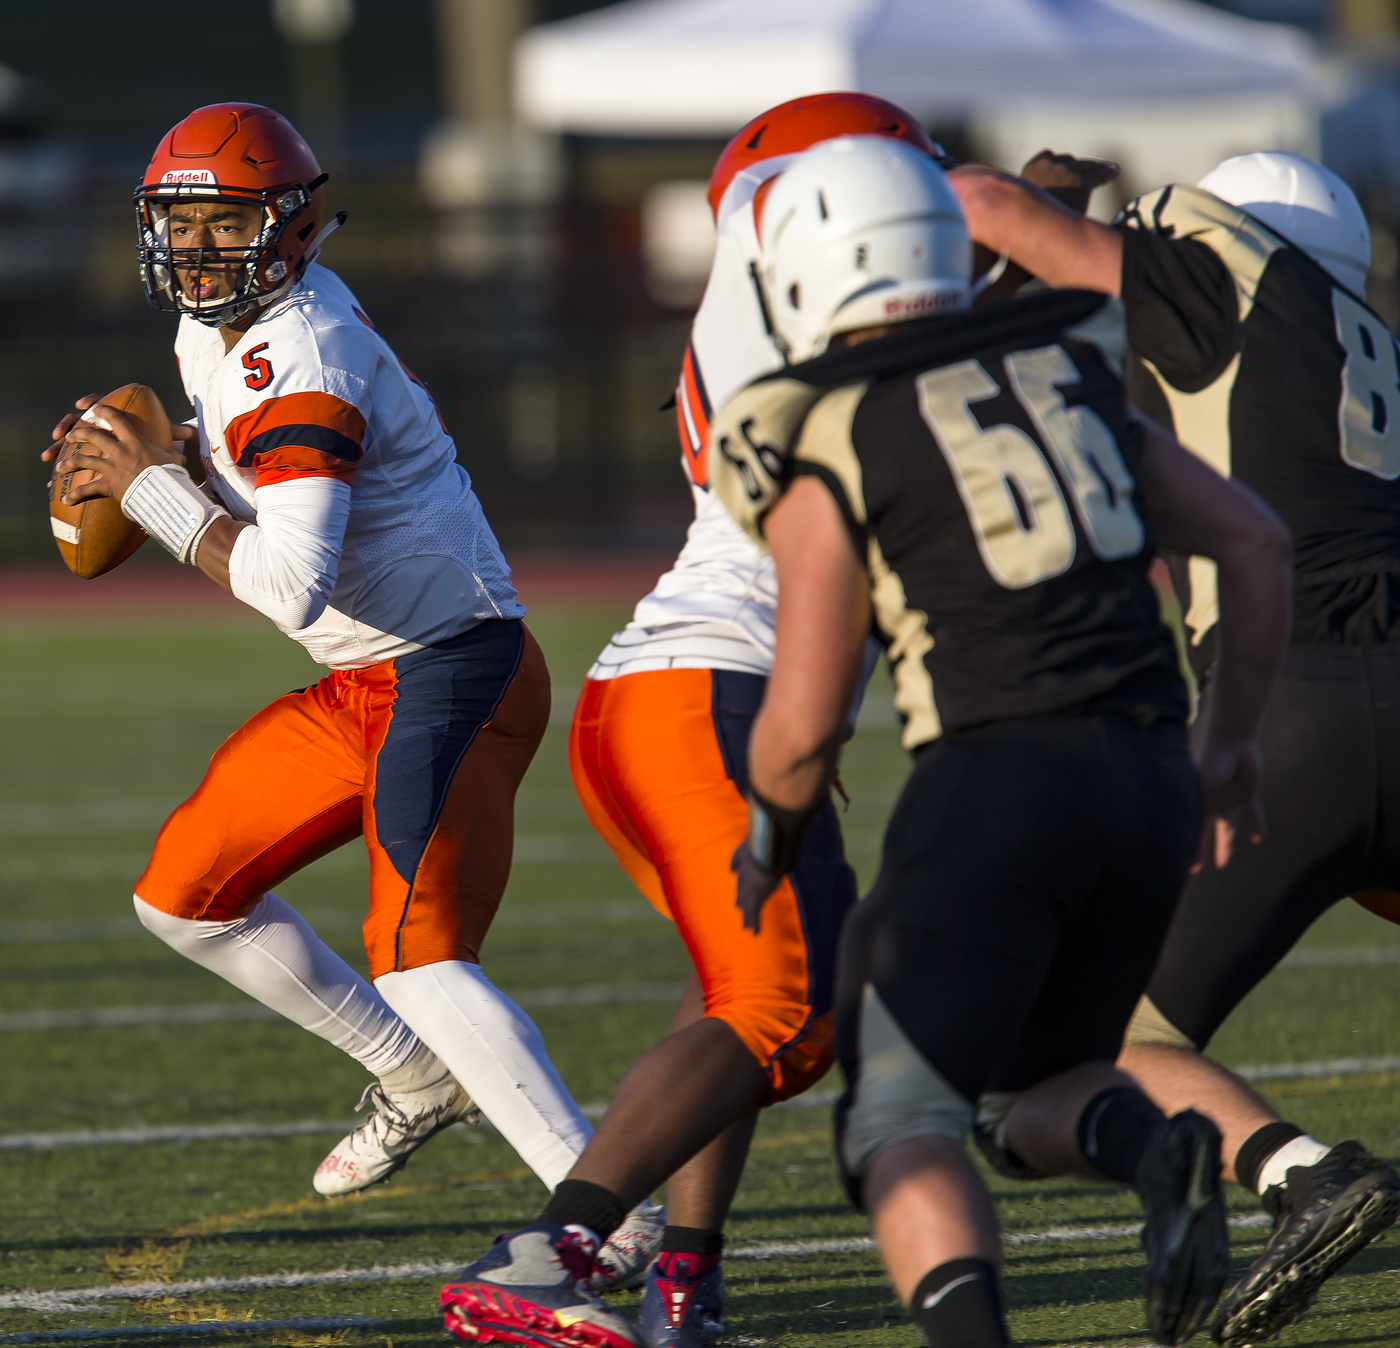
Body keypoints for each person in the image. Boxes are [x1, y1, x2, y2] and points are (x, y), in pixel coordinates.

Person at [439, 135, 1291, 1348]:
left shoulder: (817, 407)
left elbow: (811, 686)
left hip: (945, 756)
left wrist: (778, 807)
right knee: (864, 1029)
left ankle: (614, 1263)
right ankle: (611, 1257)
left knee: (869, 1080)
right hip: (1136, 769)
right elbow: (1251, 542)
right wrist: (1235, 741)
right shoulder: (1061, 365)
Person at [44, 101, 659, 1288]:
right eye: (180, 224)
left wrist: (154, 490)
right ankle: (413, 1071)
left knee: (423, 955)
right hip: (365, 679)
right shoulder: (213, 337)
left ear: (292, 226)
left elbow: (284, 580)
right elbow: (253, 461)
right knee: (183, 897)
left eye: (224, 224)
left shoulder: (303, 349)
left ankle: (612, 1219)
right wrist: (167, 451)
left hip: (455, 666)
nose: (196, 251)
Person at [950, 148, 1400, 1346]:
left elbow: (978, 210)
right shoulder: (1360, 348)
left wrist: (887, 191)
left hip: (1298, 707)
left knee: (1102, 1038)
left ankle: (1303, 1176)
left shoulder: (1236, 290)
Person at [559, 93, 947, 1348]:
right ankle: (547, 1257)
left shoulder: (773, 302)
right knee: (787, 1010)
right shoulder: (809, 313)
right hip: (711, 693)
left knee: (734, 990)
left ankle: (686, 1279)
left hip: (688, 692)